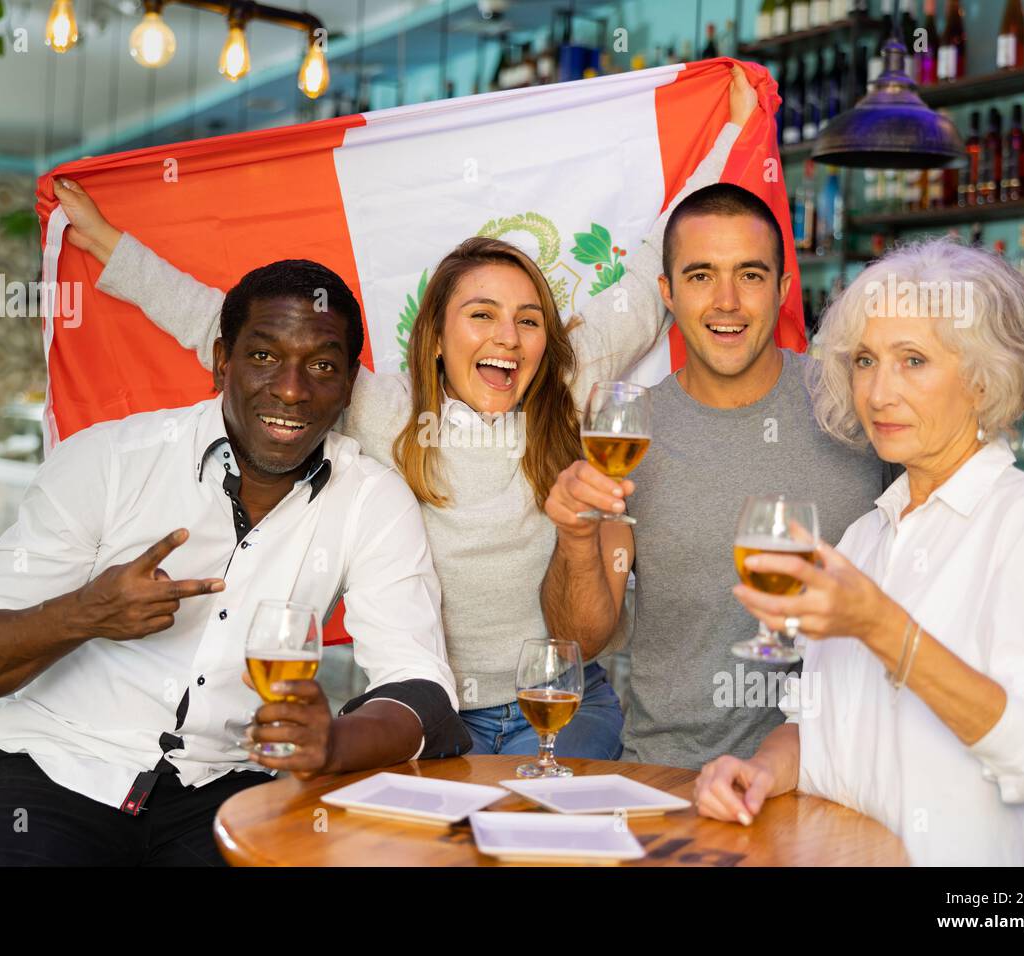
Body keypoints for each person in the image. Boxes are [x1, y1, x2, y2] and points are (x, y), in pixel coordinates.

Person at [49, 66, 761, 759]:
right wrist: (110, 246)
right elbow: (225, 321)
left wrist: (728, 138)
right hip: (428, 714)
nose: (507, 338)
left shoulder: (572, 385)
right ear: (439, 335)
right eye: (481, 315)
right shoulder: (384, 409)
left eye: (527, 320)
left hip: (563, 706)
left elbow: (651, 268)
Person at [0, 259, 468, 866]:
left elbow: (422, 693)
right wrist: (84, 613)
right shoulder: (108, 459)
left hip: (230, 794)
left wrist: (331, 742)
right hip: (48, 771)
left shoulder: (370, 498)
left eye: (323, 366)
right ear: (221, 359)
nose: (291, 388)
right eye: (263, 357)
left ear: (349, 386)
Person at [694, 238, 1024, 865]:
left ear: (981, 377)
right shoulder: (866, 538)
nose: (879, 392)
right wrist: (760, 771)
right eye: (865, 361)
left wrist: (882, 626)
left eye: (913, 360)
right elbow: (818, 730)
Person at [540, 182, 894, 769]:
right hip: (669, 776)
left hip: (839, 772)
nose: (726, 301)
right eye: (701, 275)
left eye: (750, 275)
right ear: (668, 293)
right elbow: (583, 637)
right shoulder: (627, 433)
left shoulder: (855, 408)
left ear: (782, 291)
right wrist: (577, 538)